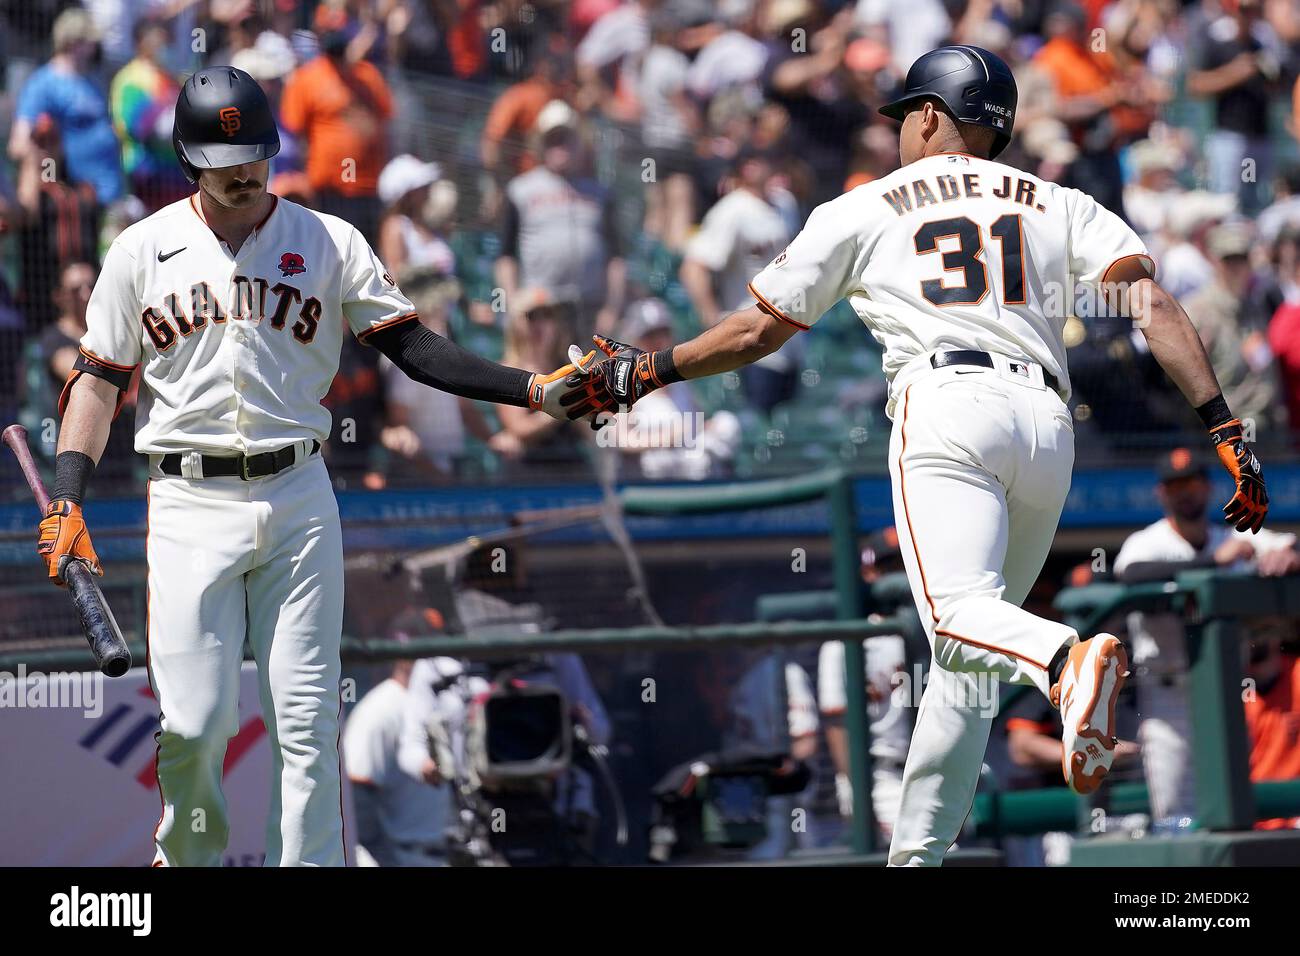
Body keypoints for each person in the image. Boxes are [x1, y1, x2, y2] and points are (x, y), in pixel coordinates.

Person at [569, 45, 1273, 867]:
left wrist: (646, 370)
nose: (902, 128)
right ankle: (918, 860)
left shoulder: (866, 205)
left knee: (953, 617)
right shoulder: (1058, 201)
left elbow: (757, 332)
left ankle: (1062, 658)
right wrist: (1226, 430)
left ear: (932, 115)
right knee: (964, 670)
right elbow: (1150, 304)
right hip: (1047, 426)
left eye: (907, 113)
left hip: (949, 405)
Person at [35, 67, 603, 867]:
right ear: (189, 158)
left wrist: (534, 389)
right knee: (195, 726)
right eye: (223, 156)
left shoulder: (329, 240)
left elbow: (414, 347)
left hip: (300, 495)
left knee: (306, 727)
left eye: (254, 154)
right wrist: (69, 498)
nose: (243, 170)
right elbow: (97, 382)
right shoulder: (140, 250)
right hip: (189, 500)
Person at [1113, 448, 1298, 829]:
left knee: (1237, 800)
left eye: (1193, 483)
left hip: (1230, 691)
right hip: (1168, 694)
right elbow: (1130, 575)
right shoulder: (1148, 542)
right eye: (1176, 485)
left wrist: (1290, 554)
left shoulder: (1228, 534)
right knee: (1176, 810)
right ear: (1161, 493)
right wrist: (1215, 563)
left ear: (1209, 488)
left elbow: (1286, 543)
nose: (1186, 493)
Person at [680, 148, 798, 414]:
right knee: (758, 424)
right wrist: (712, 320)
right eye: (752, 162)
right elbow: (693, 267)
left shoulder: (784, 203)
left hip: (791, 335)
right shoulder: (732, 209)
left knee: (786, 426)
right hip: (751, 332)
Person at [495, 100, 626, 335]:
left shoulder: (601, 194)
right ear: (541, 144)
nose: (560, 146)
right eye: (553, 139)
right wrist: (514, 302)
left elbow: (616, 258)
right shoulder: (520, 190)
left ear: (579, 143)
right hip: (542, 308)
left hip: (590, 310)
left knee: (591, 372)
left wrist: (612, 309)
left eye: (566, 138)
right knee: (548, 373)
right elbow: (506, 255)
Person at [816, 527, 913, 844]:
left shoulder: (934, 632)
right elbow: (837, 727)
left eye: (905, 564)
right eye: (890, 567)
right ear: (869, 573)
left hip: (932, 768)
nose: (900, 574)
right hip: (878, 775)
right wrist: (857, 792)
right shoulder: (844, 644)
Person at [343, 611, 451, 866]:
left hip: (446, 853)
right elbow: (358, 806)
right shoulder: (380, 710)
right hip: (403, 856)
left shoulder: (444, 701)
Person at [280, 27, 393, 245]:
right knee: (333, 247)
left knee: (365, 250)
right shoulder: (308, 78)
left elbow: (386, 116)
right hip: (328, 184)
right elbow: (294, 127)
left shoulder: (367, 75)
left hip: (367, 183)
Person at [9, 8, 124, 207]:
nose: (95, 46)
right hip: (74, 200)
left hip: (109, 192)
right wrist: (51, 173)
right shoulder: (43, 83)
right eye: (89, 41)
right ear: (72, 42)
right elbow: (18, 144)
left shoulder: (92, 80)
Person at [110, 16, 190, 212]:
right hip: (146, 174)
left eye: (164, 38)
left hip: (176, 174)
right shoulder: (130, 79)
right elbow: (131, 126)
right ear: (141, 41)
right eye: (157, 38)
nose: (163, 44)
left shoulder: (171, 77)